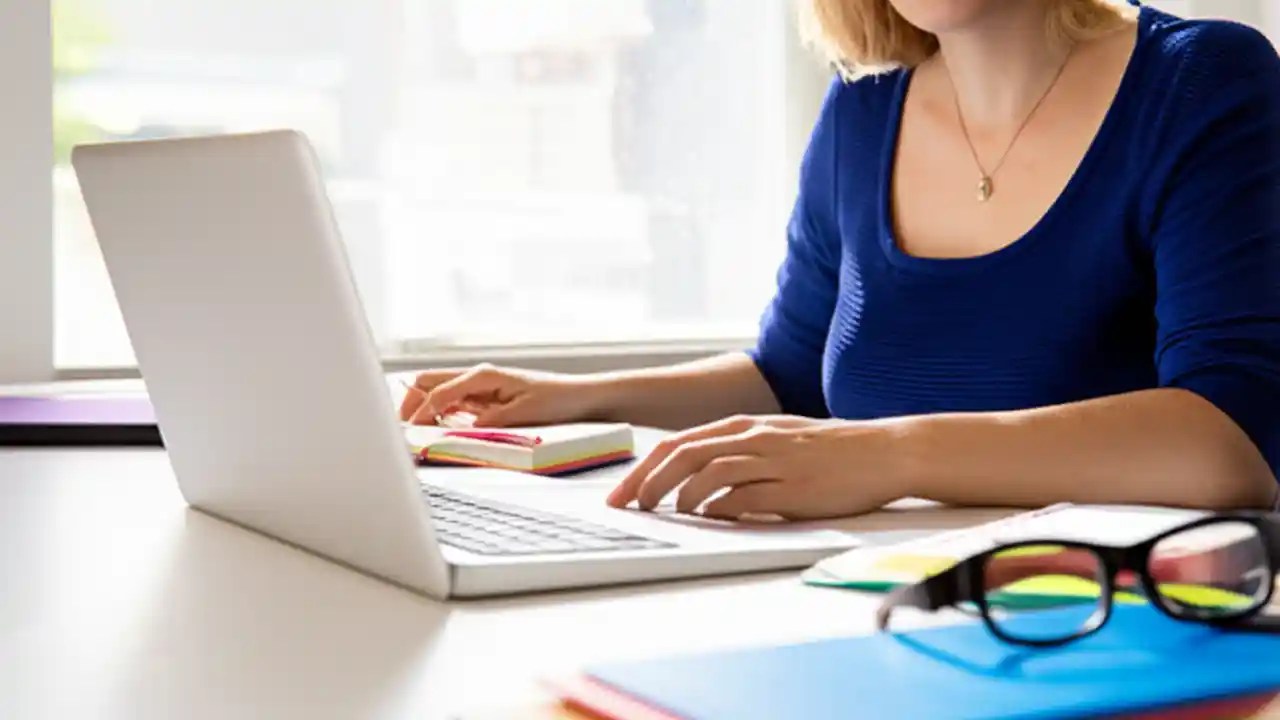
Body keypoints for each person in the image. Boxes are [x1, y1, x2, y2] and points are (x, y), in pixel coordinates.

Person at [401, 0, 1280, 521]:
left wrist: (887, 456)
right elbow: (790, 377)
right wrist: (577, 396)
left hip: (1096, 627)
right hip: (863, 604)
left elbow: (1233, 440)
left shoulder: (1204, 80)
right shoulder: (863, 117)